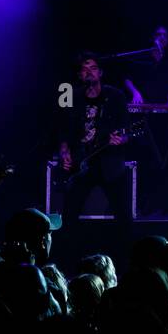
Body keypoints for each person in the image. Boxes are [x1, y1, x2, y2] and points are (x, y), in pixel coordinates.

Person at [56, 53, 133, 235]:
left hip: (109, 164)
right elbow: (62, 128)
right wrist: (64, 151)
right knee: (69, 216)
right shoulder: (70, 96)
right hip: (81, 164)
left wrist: (121, 139)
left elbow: (127, 131)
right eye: (84, 69)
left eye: (93, 68)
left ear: (101, 73)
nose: (88, 72)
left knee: (123, 217)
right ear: (79, 75)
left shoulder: (115, 96)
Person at [122, 26, 168, 105]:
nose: (162, 37)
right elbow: (127, 79)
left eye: (165, 35)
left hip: (161, 104)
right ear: (153, 37)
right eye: (158, 34)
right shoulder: (142, 56)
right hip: (140, 103)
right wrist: (135, 93)